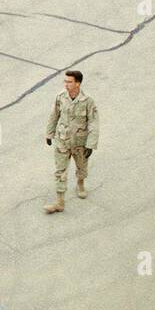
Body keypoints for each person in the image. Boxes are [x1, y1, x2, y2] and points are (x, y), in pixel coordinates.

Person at [43, 70, 99, 213]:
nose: (66, 84)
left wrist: (91, 144)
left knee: (81, 167)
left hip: (80, 142)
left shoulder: (88, 101)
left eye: (69, 82)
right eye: (65, 81)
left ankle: (80, 183)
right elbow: (54, 115)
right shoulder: (60, 97)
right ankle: (60, 202)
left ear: (77, 84)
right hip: (62, 141)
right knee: (60, 171)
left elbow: (93, 122)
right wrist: (49, 134)